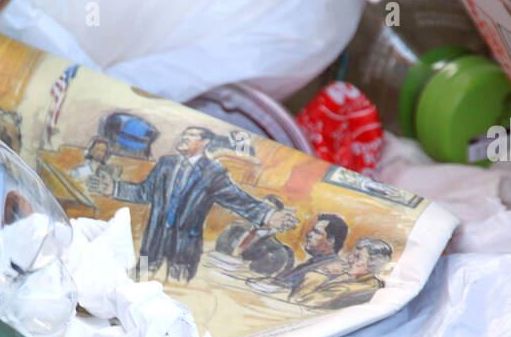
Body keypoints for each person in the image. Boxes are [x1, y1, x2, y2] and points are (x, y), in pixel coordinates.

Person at [86, 125, 297, 281]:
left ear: (204, 142)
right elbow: (144, 192)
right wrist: (114, 188)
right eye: (184, 134)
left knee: (181, 294)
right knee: (134, 283)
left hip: (184, 251)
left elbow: (238, 199)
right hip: (151, 244)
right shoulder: (166, 164)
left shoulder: (213, 173)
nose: (184, 137)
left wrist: (269, 215)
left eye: (191, 135)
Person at [294, 238, 393, 310]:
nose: (350, 260)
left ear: (373, 264)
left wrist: (321, 273)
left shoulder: (348, 288)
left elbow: (299, 302)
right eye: (352, 255)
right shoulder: (371, 283)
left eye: (357, 257)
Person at [266, 213, 350, 297]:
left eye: (316, 232)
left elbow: (295, 294)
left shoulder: (331, 269)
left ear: (331, 241)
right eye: (311, 230)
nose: (308, 234)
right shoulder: (315, 262)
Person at [214, 196, 296, 277]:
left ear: (278, 217)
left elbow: (257, 274)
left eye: (269, 211)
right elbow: (218, 251)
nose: (263, 213)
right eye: (261, 208)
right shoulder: (234, 228)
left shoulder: (276, 251)